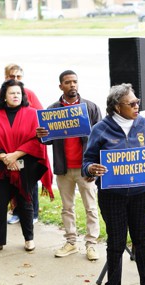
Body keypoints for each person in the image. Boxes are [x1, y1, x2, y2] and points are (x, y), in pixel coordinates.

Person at [81, 83, 145, 285]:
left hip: (141, 194)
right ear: (117, 107)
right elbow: (87, 161)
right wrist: (91, 169)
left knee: (142, 240)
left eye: (137, 102)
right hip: (112, 196)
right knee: (116, 243)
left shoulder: (144, 124)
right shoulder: (100, 128)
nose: (138, 106)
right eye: (132, 103)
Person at [0, 79, 53, 255]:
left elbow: (36, 141)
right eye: (12, 93)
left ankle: (29, 239)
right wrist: (4, 157)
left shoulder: (32, 114)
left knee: (25, 202)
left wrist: (15, 155)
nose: (16, 96)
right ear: (4, 96)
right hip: (0, 166)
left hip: (24, 166)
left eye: (19, 93)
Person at [36, 70, 102, 261]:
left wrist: (94, 166)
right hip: (63, 168)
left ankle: (91, 245)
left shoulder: (90, 107)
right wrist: (41, 135)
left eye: (75, 81)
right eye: (67, 82)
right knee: (67, 208)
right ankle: (71, 242)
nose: (72, 85)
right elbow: (47, 141)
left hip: (85, 168)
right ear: (61, 86)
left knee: (90, 207)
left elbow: (101, 137)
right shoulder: (52, 110)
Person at [0, 63, 42, 225]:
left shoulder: (29, 94)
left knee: (29, 184)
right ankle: (17, 212)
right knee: (11, 183)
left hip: (25, 151)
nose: (15, 79)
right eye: (12, 77)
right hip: (5, 151)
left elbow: (42, 117)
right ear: (6, 78)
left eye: (19, 77)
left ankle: (32, 214)